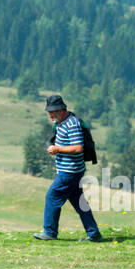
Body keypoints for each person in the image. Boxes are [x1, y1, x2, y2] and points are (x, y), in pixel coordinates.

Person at [33, 94, 102, 242]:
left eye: (52, 112)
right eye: (49, 112)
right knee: (79, 202)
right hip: (71, 170)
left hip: (70, 172)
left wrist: (58, 149)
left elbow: (78, 148)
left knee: (52, 196)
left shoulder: (72, 124)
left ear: (61, 110)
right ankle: (94, 233)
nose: (50, 115)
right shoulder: (61, 123)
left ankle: (50, 232)